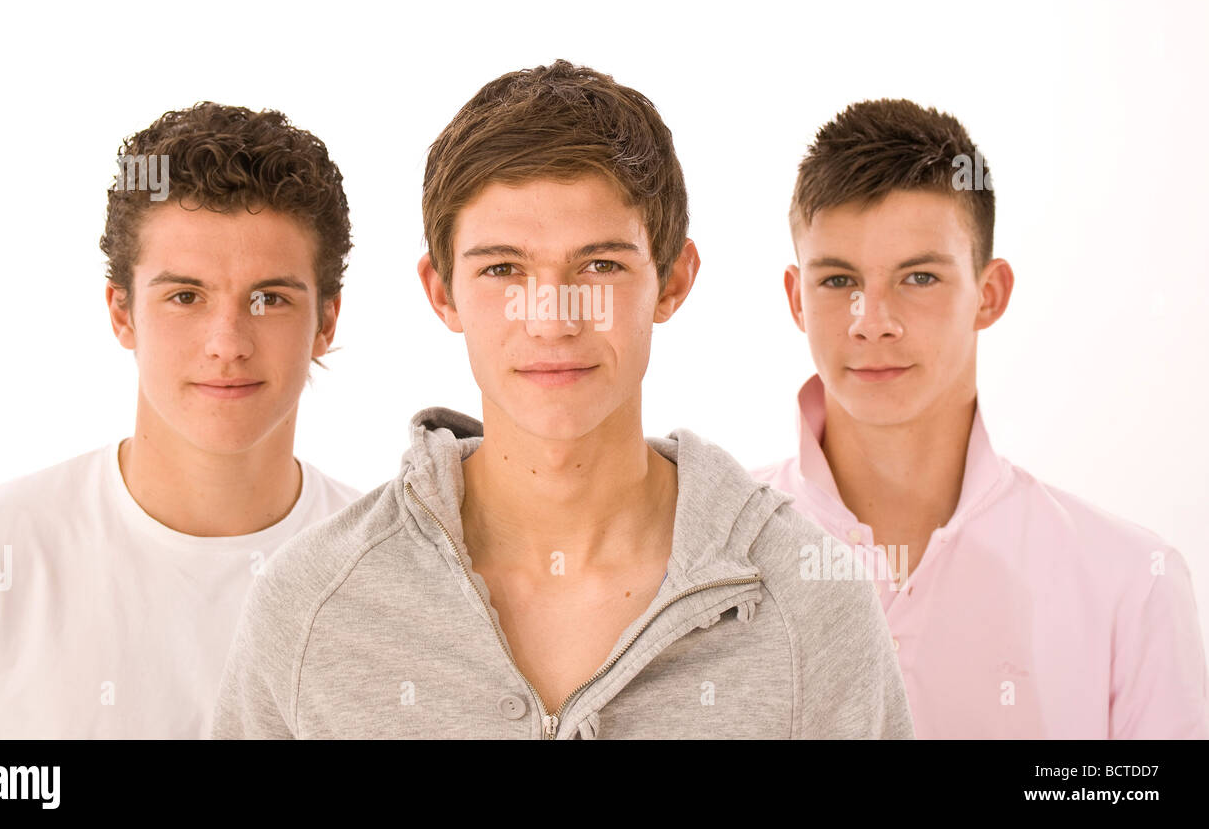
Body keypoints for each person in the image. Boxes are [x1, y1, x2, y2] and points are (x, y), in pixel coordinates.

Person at [210, 60, 914, 739]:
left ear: (672, 281)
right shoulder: (312, 606)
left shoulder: (812, 608)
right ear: (442, 292)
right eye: (503, 269)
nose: (552, 319)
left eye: (600, 265)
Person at [752, 97, 1209, 738]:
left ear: (988, 295)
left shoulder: (1131, 586)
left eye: (919, 277)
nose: (872, 321)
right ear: (796, 299)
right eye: (837, 281)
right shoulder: (704, 562)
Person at [0, 102, 363, 738]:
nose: (227, 343)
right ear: (122, 313)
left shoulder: (389, 572)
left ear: (326, 321)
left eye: (269, 298)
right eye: (185, 296)